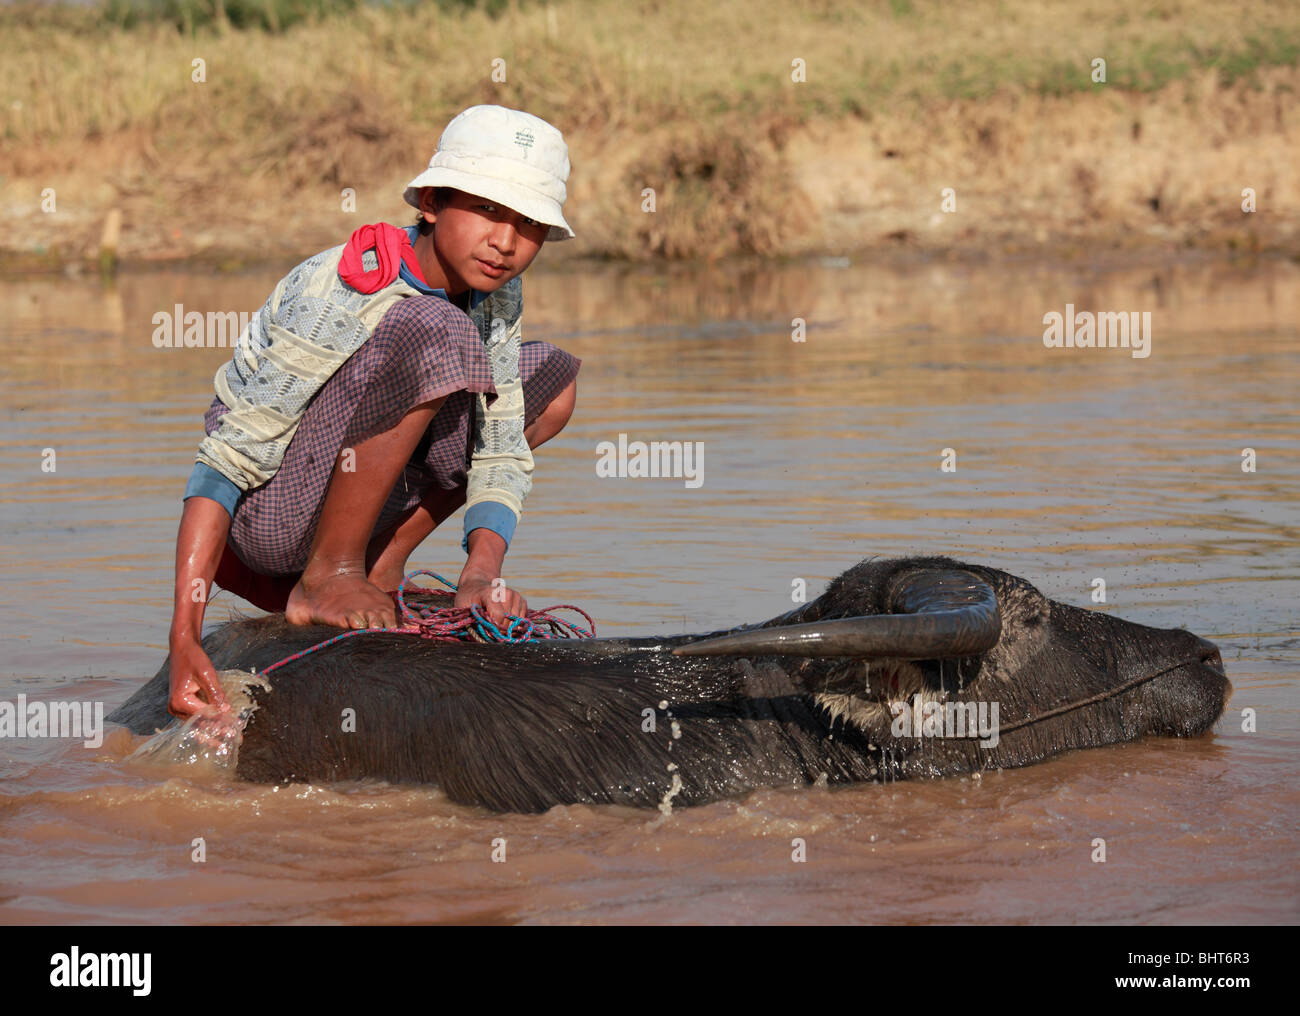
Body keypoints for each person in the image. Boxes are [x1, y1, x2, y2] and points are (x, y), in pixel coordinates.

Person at [167, 105, 581, 723]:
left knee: (549, 381)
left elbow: (498, 444)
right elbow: (229, 457)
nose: (506, 242)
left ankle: (381, 561)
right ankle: (329, 574)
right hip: (271, 521)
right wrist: (184, 637)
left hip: (361, 499)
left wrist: (480, 575)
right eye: (489, 211)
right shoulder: (343, 286)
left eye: (529, 225)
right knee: (436, 329)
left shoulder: (497, 293)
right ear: (434, 202)